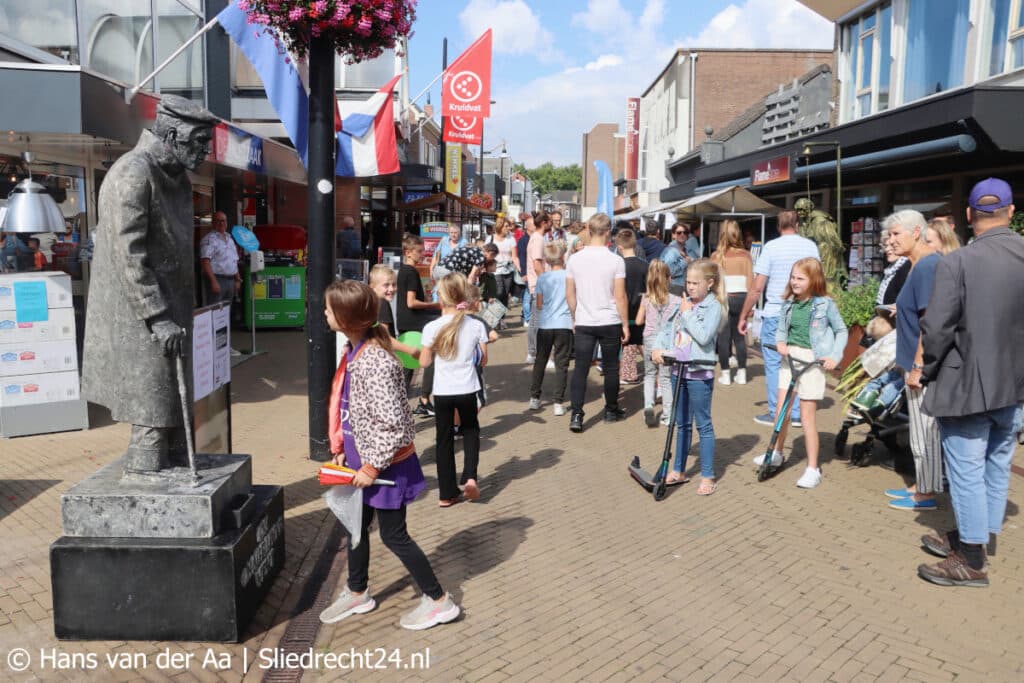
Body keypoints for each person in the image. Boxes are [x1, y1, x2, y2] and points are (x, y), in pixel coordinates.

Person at [81, 95, 217, 475]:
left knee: (170, 401)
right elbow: (129, 253)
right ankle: (146, 471)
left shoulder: (175, 178)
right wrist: (157, 316)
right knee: (152, 407)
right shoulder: (134, 173)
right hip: (142, 317)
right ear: (173, 135)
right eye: (199, 142)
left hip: (171, 309)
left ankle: (173, 457)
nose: (205, 152)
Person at [318, 280, 460, 630]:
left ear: (347, 319)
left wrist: (369, 465)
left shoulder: (376, 362)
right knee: (356, 524)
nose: (324, 312)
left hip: (385, 467)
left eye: (329, 308)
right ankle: (357, 591)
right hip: (361, 461)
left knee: (393, 535)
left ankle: (439, 600)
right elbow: (352, 409)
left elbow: (394, 424)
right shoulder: (355, 351)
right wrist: (343, 449)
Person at [916, 177, 1024, 587]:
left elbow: (938, 329)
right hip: (1014, 385)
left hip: (966, 387)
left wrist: (927, 371)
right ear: (1011, 212)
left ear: (968, 215)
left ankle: (971, 559)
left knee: (965, 470)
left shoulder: (956, 262)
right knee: (995, 464)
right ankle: (978, 536)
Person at [752, 258, 846, 489]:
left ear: (813, 280)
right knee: (781, 411)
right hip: (790, 359)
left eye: (800, 278)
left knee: (806, 418)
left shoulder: (825, 304)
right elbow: (782, 331)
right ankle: (776, 452)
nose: (794, 282)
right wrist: (781, 343)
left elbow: (841, 330)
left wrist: (834, 356)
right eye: (793, 277)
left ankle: (812, 468)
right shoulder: (789, 304)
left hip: (812, 361)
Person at [883, 209, 945, 511]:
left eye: (896, 234)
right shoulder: (916, 265)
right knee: (920, 431)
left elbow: (929, 320)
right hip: (914, 362)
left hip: (922, 366)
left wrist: (918, 366)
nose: (890, 240)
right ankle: (920, 485)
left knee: (924, 433)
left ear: (916, 232)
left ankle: (926, 494)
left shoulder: (926, 266)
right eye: (889, 234)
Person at [738, 210, 820, 428]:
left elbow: (757, 287)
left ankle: (778, 411)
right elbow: (818, 280)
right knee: (799, 361)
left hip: (776, 312)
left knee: (775, 364)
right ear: (798, 225)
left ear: (778, 226)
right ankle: (796, 413)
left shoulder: (771, 247)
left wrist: (745, 314)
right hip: (803, 311)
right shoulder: (810, 247)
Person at [651, 259, 726, 495]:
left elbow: (704, 337)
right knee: (681, 423)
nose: (690, 287)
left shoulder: (714, 307)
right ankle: (679, 469)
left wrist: (688, 314)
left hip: (699, 372)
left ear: (710, 283)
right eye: (688, 282)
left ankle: (707, 475)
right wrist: (658, 347)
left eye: (696, 283)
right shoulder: (683, 304)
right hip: (678, 369)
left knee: (703, 424)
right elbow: (667, 329)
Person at [419, 273, 490, 507]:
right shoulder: (476, 325)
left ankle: (447, 493)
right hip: (468, 388)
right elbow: (483, 361)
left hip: (442, 391)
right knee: (470, 432)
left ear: (441, 297)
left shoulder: (431, 327)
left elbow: (424, 363)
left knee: (444, 439)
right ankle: (470, 477)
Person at [565, 213, 629, 433]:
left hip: (584, 320)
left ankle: (576, 414)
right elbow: (620, 296)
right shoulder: (616, 260)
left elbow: (570, 294)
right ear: (608, 231)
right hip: (610, 320)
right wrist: (625, 324)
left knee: (581, 368)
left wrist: (575, 317)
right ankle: (611, 409)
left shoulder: (575, 259)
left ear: (590, 231)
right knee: (611, 367)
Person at [395, 234, 441, 418]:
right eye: (419, 251)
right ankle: (423, 399)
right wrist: (434, 305)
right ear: (408, 252)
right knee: (429, 355)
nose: (423, 254)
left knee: (409, 366)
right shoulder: (411, 272)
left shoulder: (403, 270)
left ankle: (401, 403)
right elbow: (412, 303)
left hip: (406, 321)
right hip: (414, 320)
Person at [636, 260, 681, 428]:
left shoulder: (647, 299)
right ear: (668, 279)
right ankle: (668, 414)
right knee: (665, 378)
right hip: (667, 341)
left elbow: (640, 320)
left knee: (649, 374)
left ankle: (648, 405)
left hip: (649, 338)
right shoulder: (676, 300)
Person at [528, 242, 572, 416]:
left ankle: (534, 398)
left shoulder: (543, 278)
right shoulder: (569, 276)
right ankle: (558, 403)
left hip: (545, 324)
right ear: (562, 257)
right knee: (562, 364)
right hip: (564, 324)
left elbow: (538, 304)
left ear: (547, 260)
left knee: (541, 360)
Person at [711, 220, 753, 386]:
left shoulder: (715, 256)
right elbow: (751, 281)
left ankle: (726, 374)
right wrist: (751, 307)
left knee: (723, 337)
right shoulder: (746, 255)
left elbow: (712, 283)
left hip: (722, 298)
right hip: (742, 297)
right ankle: (742, 374)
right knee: (739, 337)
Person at [614, 228, 648, 385]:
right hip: (641, 310)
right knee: (641, 341)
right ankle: (650, 368)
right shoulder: (644, 265)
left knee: (626, 342)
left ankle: (627, 373)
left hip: (623, 310)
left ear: (619, 247)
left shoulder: (618, 266)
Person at [368, 265, 420, 359]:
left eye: (394, 284)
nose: (391, 289)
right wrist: (411, 350)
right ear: (372, 286)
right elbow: (384, 337)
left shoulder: (371, 302)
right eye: (386, 285)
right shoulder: (382, 303)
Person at [525, 211, 552, 363]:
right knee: (536, 321)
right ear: (544, 223)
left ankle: (533, 352)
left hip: (537, 285)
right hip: (539, 286)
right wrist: (546, 282)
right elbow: (537, 264)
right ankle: (532, 352)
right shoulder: (538, 239)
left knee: (537, 320)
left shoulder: (537, 238)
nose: (551, 224)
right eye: (549, 221)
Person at [199, 211, 241, 306]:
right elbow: (205, 261)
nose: (222, 223)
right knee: (215, 311)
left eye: (223, 221)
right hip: (217, 279)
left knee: (226, 312)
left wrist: (237, 279)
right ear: (213, 223)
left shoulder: (230, 240)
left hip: (230, 280)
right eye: (218, 221)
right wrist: (213, 281)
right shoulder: (209, 239)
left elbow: (234, 260)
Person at [490, 215, 519, 307]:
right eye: (506, 226)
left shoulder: (511, 239)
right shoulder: (491, 239)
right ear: (500, 226)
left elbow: (514, 257)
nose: (509, 228)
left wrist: (520, 270)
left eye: (509, 226)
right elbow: (485, 255)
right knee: (499, 292)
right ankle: (494, 317)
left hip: (508, 270)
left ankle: (501, 318)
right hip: (495, 270)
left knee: (505, 294)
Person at [660, 222, 691, 296]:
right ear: (673, 235)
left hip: (683, 286)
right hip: (674, 287)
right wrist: (685, 262)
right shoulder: (670, 251)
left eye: (685, 232)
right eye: (679, 233)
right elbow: (669, 271)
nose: (682, 235)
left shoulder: (685, 249)